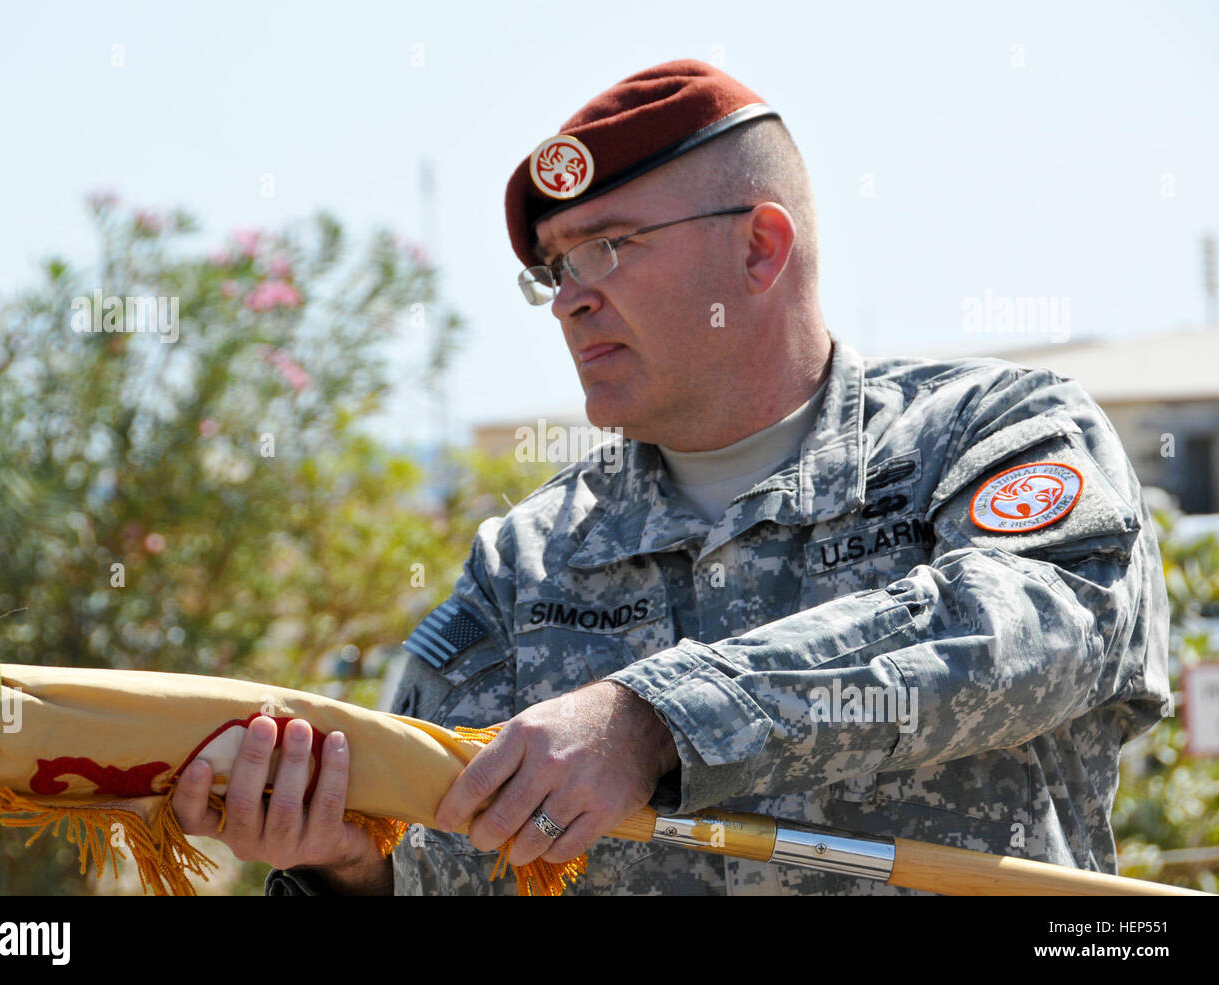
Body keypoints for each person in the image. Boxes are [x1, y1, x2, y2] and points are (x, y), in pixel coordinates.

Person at [170, 59, 1172, 895]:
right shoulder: (525, 561)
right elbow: (453, 849)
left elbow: (1031, 633)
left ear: (759, 246)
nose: (569, 299)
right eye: (553, 268)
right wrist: (354, 868)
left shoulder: (990, 432)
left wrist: (648, 719)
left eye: (609, 245)